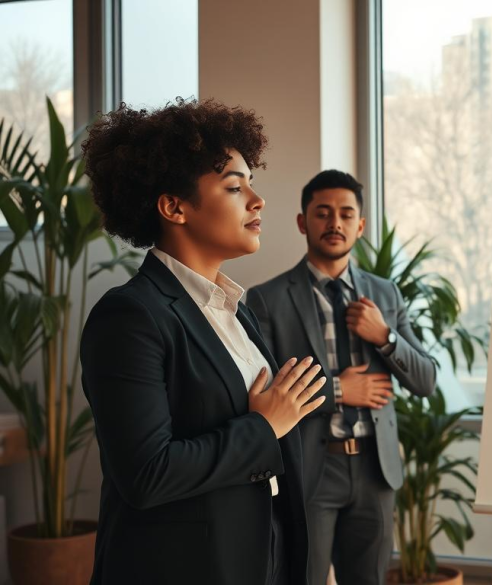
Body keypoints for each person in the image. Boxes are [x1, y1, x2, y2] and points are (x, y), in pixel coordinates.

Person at [80, 99, 327, 585]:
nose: (257, 201)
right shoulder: (129, 316)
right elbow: (148, 474)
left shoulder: (237, 312)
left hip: (261, 557)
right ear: (173, 206)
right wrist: (263, 425)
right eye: (235, 187)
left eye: (251, 184)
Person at [247, 170, 437, 585]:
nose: (335, 223)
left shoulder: (385, 295)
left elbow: (426, 380)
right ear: (303, 222)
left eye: (346, 214)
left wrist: (384, 337)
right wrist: (338, 390)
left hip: (375, 470)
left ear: (360, 225)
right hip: (312, 467)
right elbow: (260, 392)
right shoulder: (267, 298)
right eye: (323, 213)